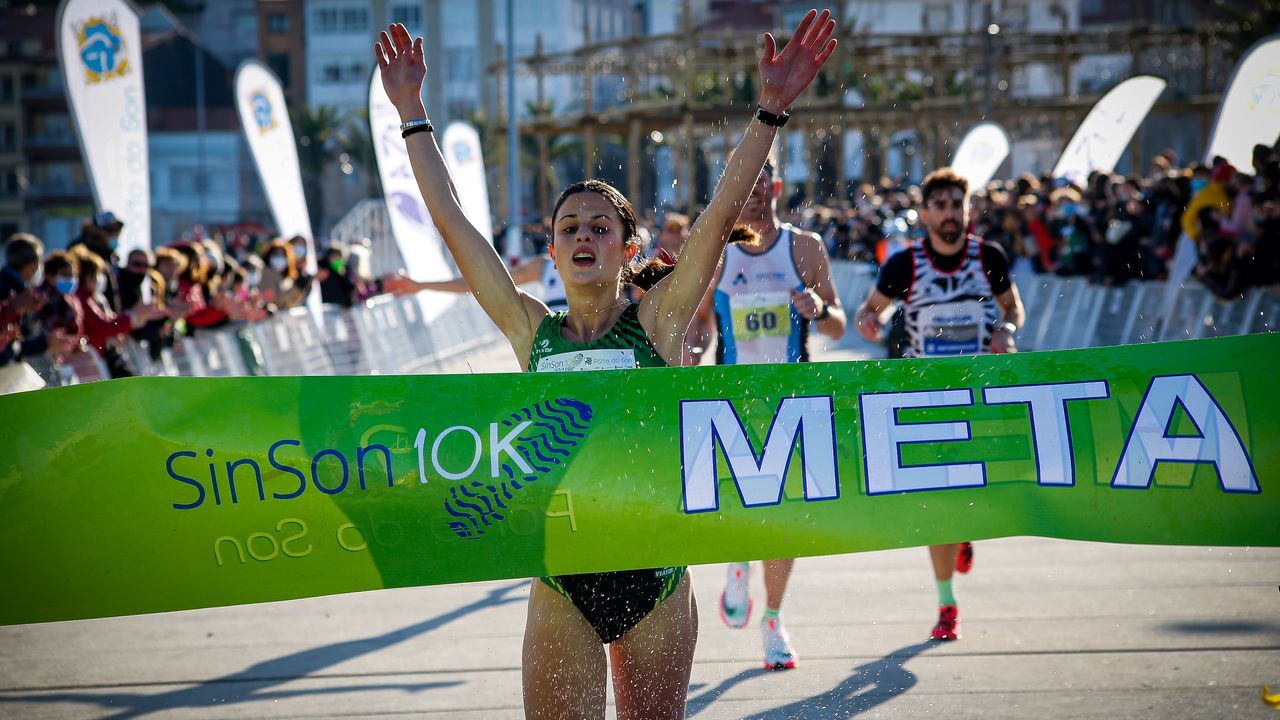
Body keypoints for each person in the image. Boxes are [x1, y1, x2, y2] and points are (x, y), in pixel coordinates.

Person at [376, 11, 835, 717]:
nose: (583, 234)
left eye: (600, 226)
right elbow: (456, 227)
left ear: (627, 248)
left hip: (654, 576)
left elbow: (715, 221)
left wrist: (770, 110)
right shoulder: (530, 329)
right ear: (551, 251)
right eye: (569, 228)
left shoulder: (658, 322)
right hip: (562, 574)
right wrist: (412, 113)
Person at [854, 167, 1025, 642]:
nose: (951, 214)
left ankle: (967, 529)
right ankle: (947, 602)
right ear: (926, 212)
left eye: (958, 205)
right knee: (939, 506)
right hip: (925, 404)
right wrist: (868, 323)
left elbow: (1012, 308)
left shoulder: (987, 256)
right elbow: (870, 311)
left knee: (973, 499)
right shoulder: (905, 265)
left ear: (968, 210)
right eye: (942, 206)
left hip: (977, 401)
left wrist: (1005, 330)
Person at [693, 152, 846, 671]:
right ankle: (738, 561)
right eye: (745, 184)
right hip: (734, 401)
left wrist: (818, 310)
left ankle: (774, 620)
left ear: (776, 186)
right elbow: (700, 330)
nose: (753, 192)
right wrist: (689, 348)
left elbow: (839, 325)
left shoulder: (804, 247)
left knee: (786, 514)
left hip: (791, 400)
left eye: (762, 183)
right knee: (743, 504)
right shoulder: (716, 252)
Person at [385, 253, 568, 311]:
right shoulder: (542, 267)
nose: (581, 236)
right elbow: (481, 283)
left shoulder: (598, 270)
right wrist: (421, 285)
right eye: (569, 228)